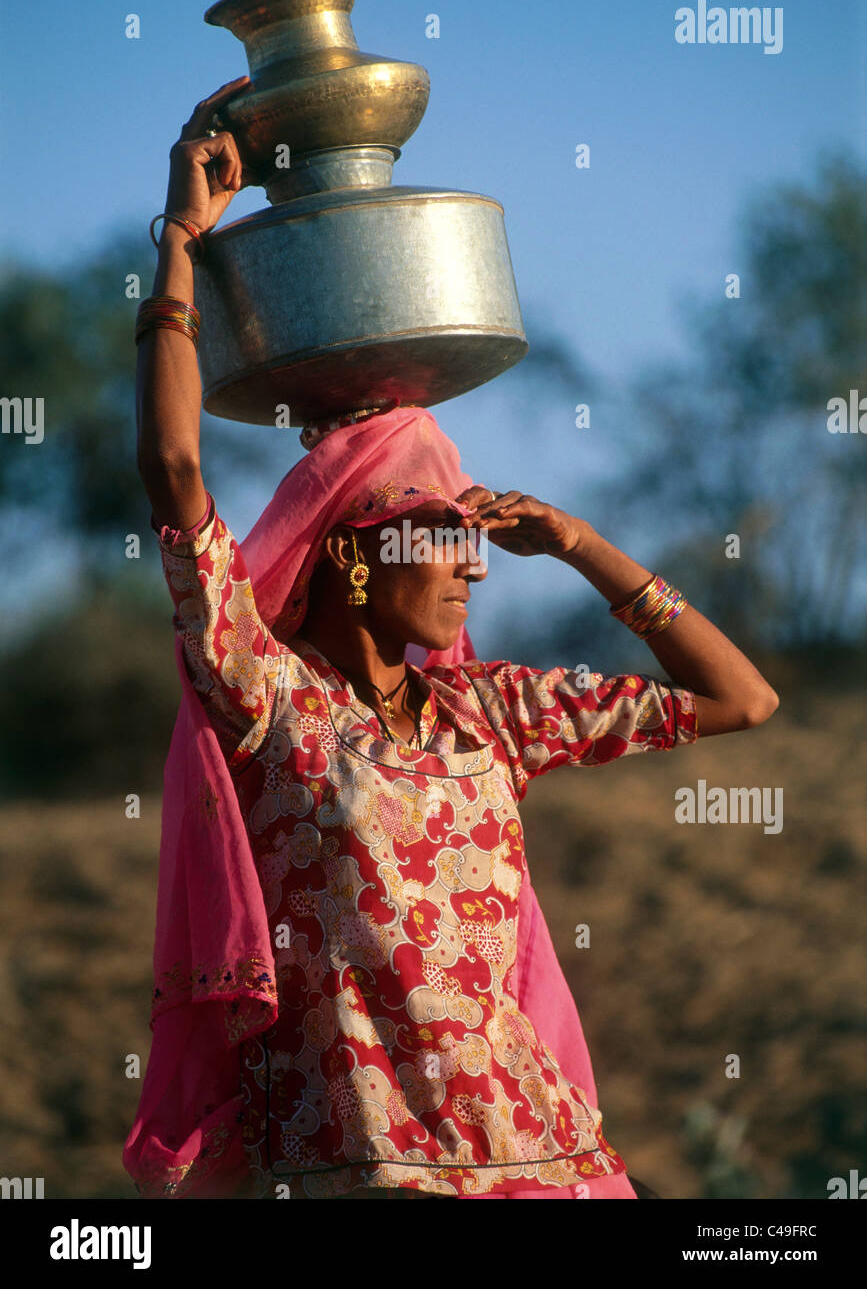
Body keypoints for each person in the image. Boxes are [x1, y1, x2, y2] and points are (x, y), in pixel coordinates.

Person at [125, 80, 779, 1201]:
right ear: (350, 555)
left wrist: (583, 546)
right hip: (347, 1158)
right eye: (440, 533)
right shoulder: (272, 699)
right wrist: (184, 241)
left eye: (473, 538)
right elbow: (178, 472)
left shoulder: (492, 715)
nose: (471, 563)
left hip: (532, 1158)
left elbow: (742, 699)